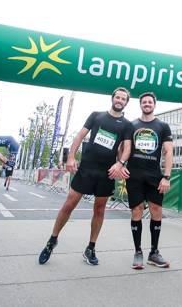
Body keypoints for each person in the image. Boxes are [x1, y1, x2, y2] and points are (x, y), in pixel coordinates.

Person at [38, 87, 134, 265]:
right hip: (87, 168)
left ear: (126, 102)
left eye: (123, 99)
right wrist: (71, 157)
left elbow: (127, 148)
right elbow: (80, 136)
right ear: (112, 98)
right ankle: (52, 240)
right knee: (69, 204)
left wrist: (120, 164)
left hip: (107, 172)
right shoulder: (96, 115)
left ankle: (90, 247)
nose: (120, 100)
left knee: (99, 209)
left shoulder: (127, 125)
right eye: (117, 97)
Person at [123, 92, 173, 270]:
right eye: (144, 102)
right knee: (136, 211)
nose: (147, 104)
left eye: (150, 102)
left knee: (156, 210)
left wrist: (166, 176)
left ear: (154, 104)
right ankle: (138, 252)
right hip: (134, 174)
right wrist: (120, 164)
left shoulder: (163, 126)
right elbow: (124, 148)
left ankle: (154, 252)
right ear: (140, 105)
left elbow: (168, 152)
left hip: (154, 175)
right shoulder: (131, 125)